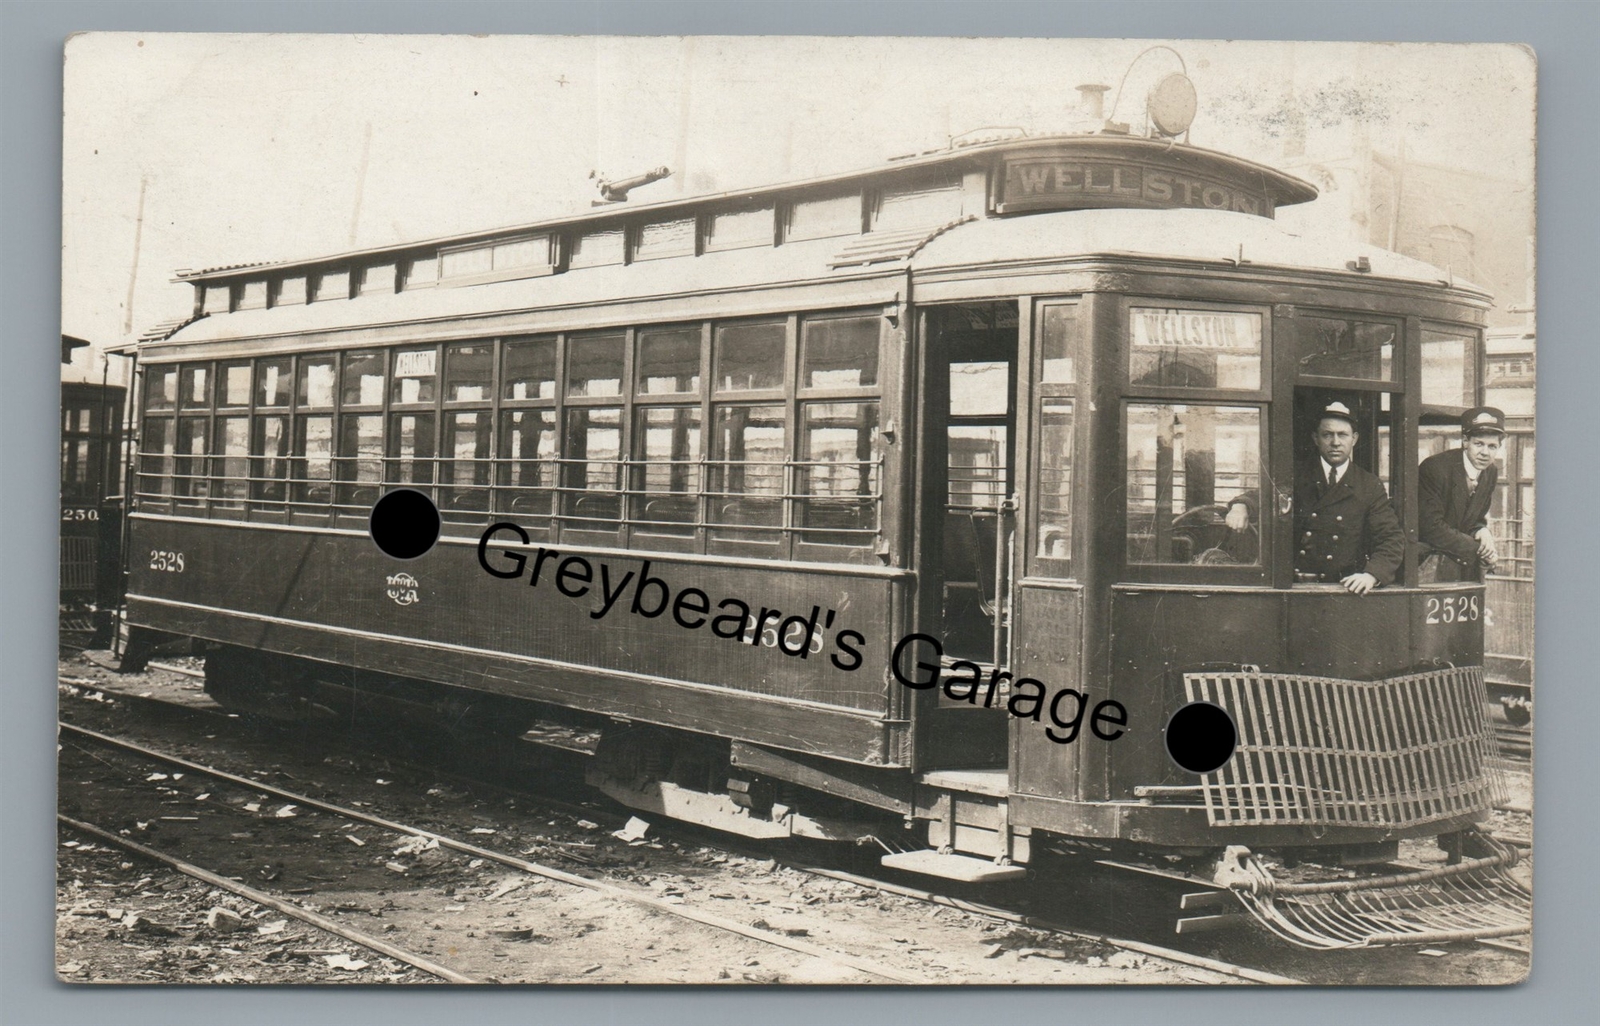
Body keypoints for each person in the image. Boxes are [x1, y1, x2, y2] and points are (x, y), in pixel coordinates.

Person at [1417, 406, 1504, 582]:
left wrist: (1481, 529)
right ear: (1465, 441)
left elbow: (1474, 516)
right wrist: (1479, 550)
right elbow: (1431, 527)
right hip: (1423, 564)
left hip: (1459, 562)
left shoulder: (1491, 472)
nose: (1485, 453)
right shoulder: (1435, 468)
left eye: (1492, 446)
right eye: (1479, 444)